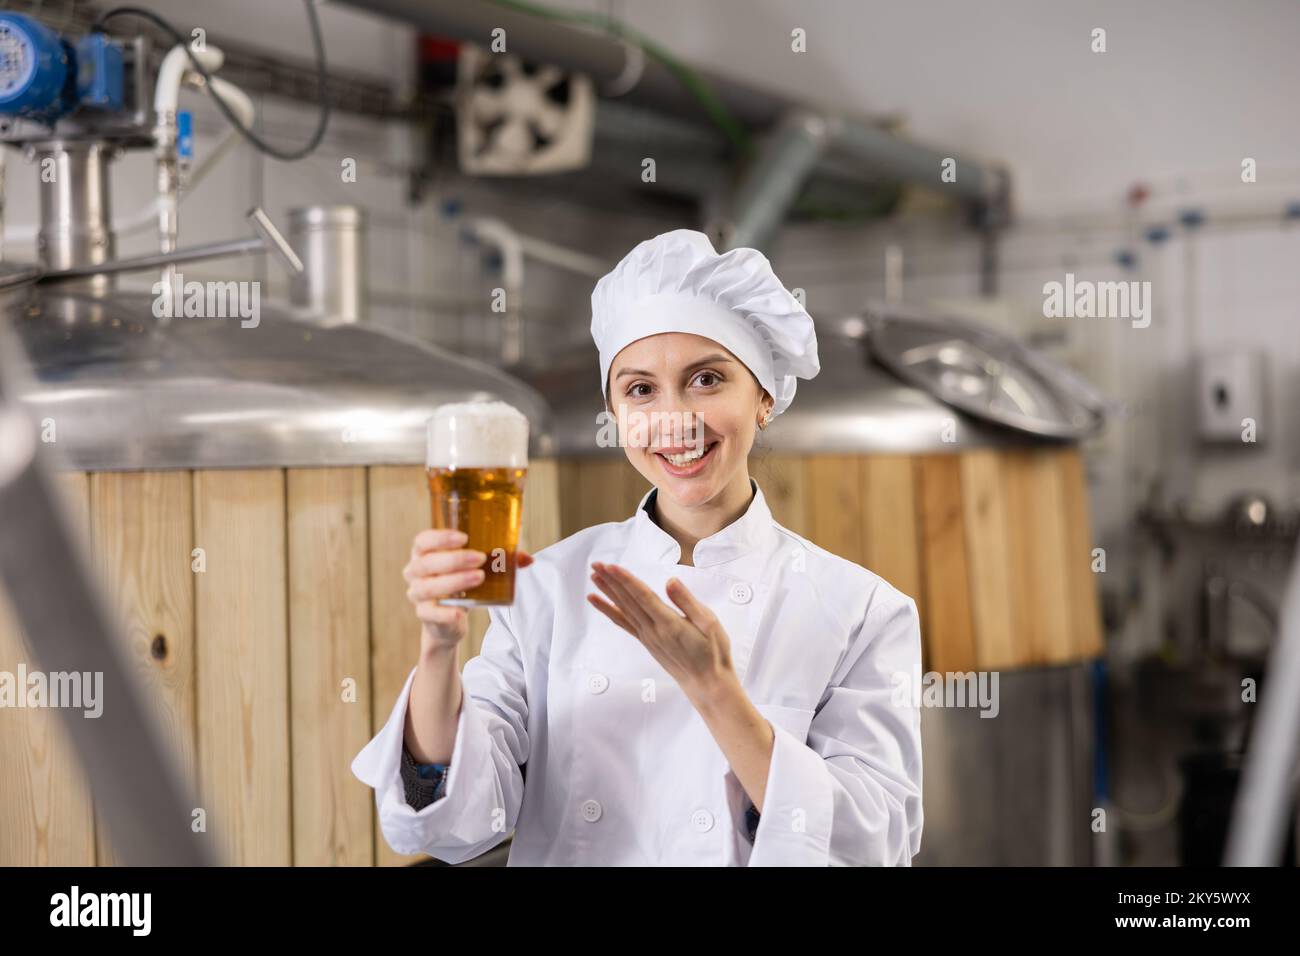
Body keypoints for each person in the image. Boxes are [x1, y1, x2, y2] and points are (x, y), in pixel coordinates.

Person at [351, 228, 924, 866]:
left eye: (707, 380)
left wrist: (716, 693)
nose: (673, 418)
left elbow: (877, 844)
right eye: (641, 389)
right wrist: (439, 646)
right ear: (615, 412)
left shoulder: (862, 610)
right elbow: (453, 823)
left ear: (763, 397)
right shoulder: (547, 584)